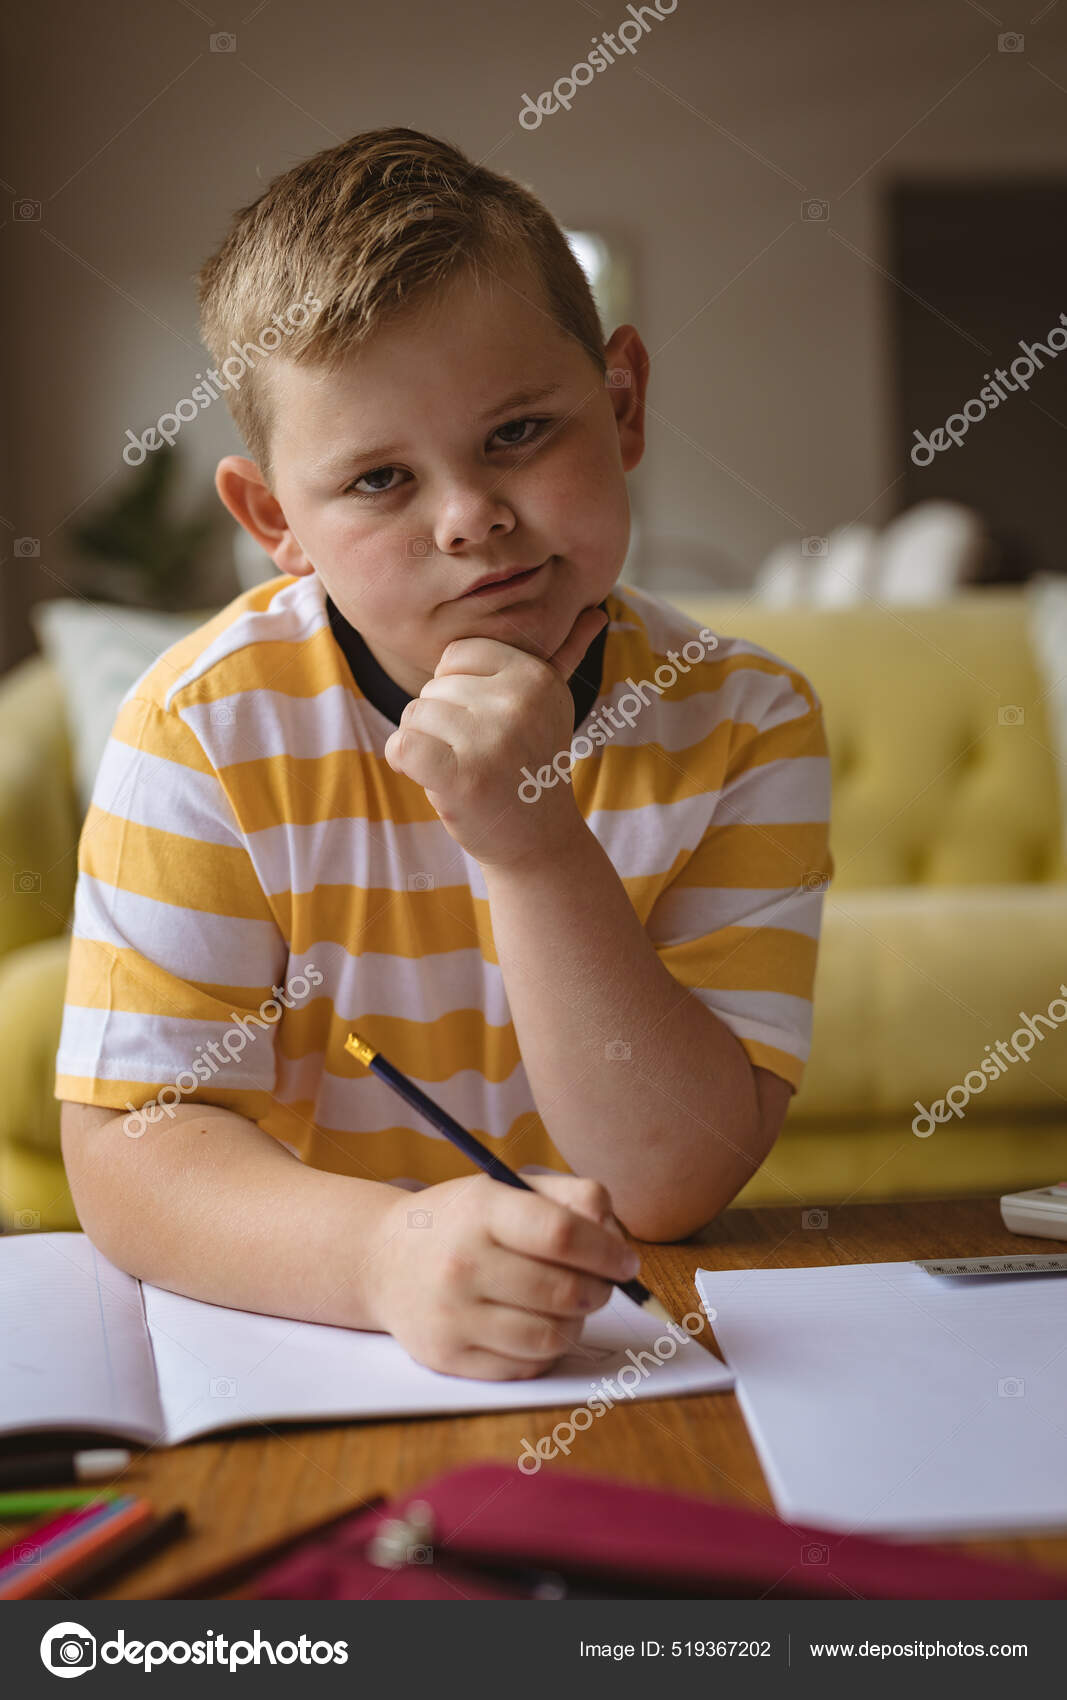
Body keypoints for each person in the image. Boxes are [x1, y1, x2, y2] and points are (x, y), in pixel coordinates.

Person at [57, 128, 833, 1382]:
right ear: (275, 520)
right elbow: (135, 1147)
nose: (470, 518)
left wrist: (530, 841)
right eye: (376, 477)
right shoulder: (204, 723)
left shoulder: (744, 719)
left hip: (620, 1348)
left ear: (621, 403)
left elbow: (668, 1180)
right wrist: (384, 1253)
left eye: (520, 430)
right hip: (303, 1343)